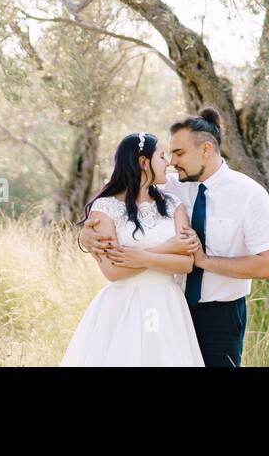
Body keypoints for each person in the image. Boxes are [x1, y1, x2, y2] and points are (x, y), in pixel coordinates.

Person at [83, 107, 269, 366]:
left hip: (219, 314)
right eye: (169, 154)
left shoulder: (250, 194)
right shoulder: (170, 186)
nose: (173, 162)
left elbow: (267, 266)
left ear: (206, 149)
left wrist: (204, 261)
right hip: (168, 307)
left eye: (179, 153)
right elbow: (120, 196)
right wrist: (86, 234)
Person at [60, 132, 204, 366]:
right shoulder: (105, 208)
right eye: (161, 156)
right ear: (143, 162)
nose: (167, 162)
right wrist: (166, 248)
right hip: (122, 305)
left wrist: (138, 257)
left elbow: (186, 264)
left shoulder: (173, 205)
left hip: (166, 304)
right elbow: (113, 272)